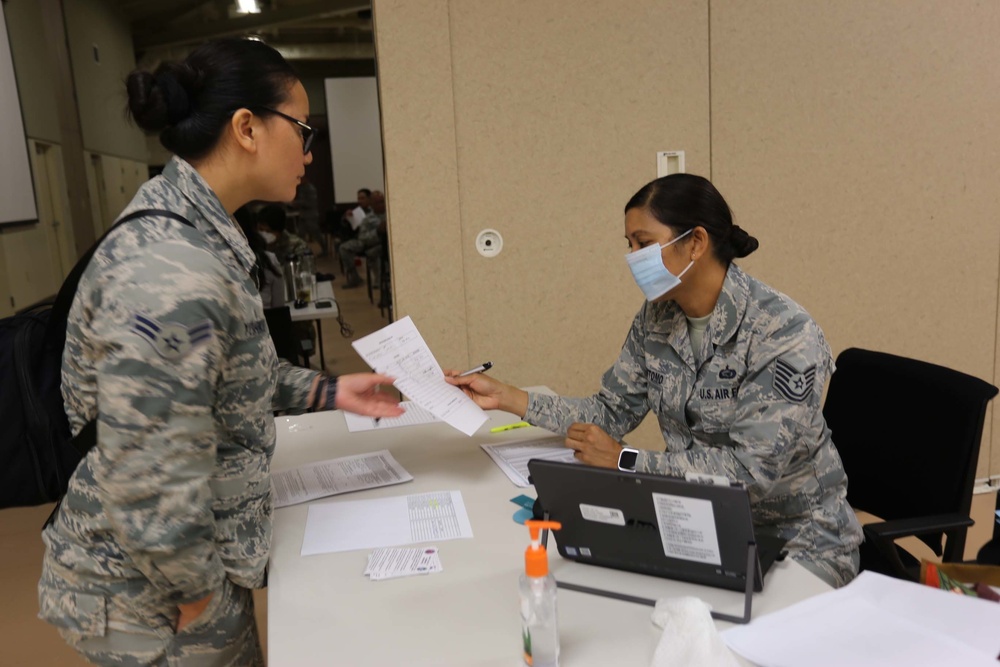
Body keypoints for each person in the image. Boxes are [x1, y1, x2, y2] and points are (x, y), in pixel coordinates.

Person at [38, 38, 404, 666]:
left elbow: (228, 378)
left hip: (181, 563)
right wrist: (195, 595)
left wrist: (330, 390)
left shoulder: (198, 231)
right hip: (150, 590)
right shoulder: (171, 267)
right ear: (247, 128)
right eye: (302, 129)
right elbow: (149, 468)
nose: (309, 155)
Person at [449, 174, 863, 588]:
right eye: (628, 245)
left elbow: (749, 475)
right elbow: (611, 411)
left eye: (644, 244)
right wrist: (508, 397)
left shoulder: (782, 331)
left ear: (696, 242)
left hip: (798, 541)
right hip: (697, 526)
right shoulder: (658, 318)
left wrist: (624, 461)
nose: (633, 257)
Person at [338, 190, 386, 288]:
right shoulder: (364, 216)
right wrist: (345, 218)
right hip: (365, 240)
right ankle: (355, 277)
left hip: (384, 243)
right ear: (372, 204)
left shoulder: (391, 213)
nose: (360, 201)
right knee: (344, 247)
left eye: (382, 202)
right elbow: (360, 236)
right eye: (359, 198)